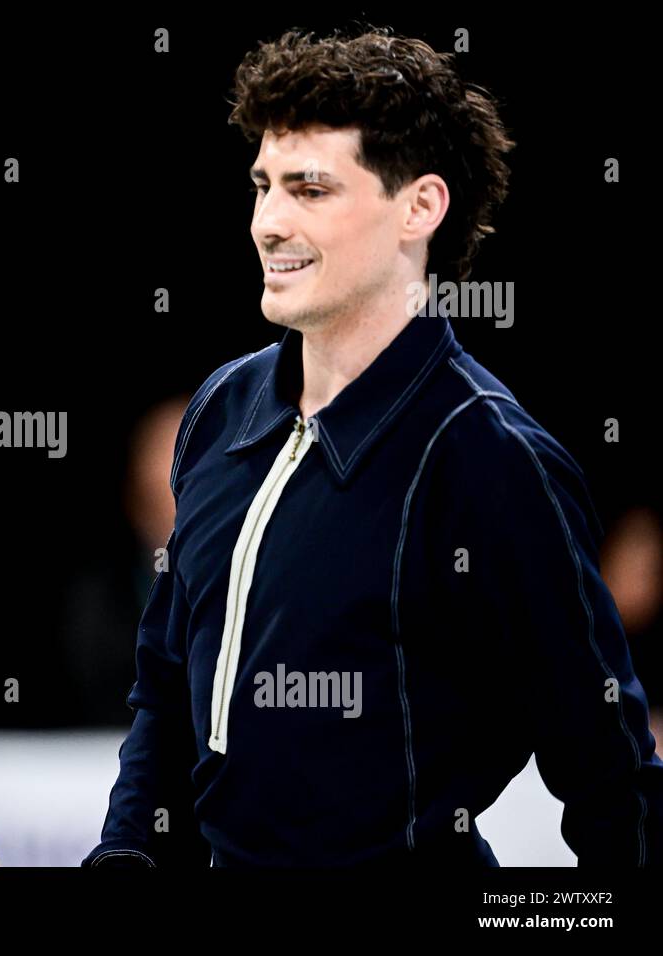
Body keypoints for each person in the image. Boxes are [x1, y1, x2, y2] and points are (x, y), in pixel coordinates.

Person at [83, 27, 662, 867]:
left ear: (420, 208)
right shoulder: (221, 408)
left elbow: (609, 773)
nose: (268, 223)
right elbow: (166, 687)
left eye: (310, 189)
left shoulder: (490, 458)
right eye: (263, 186)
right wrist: (126, 854)